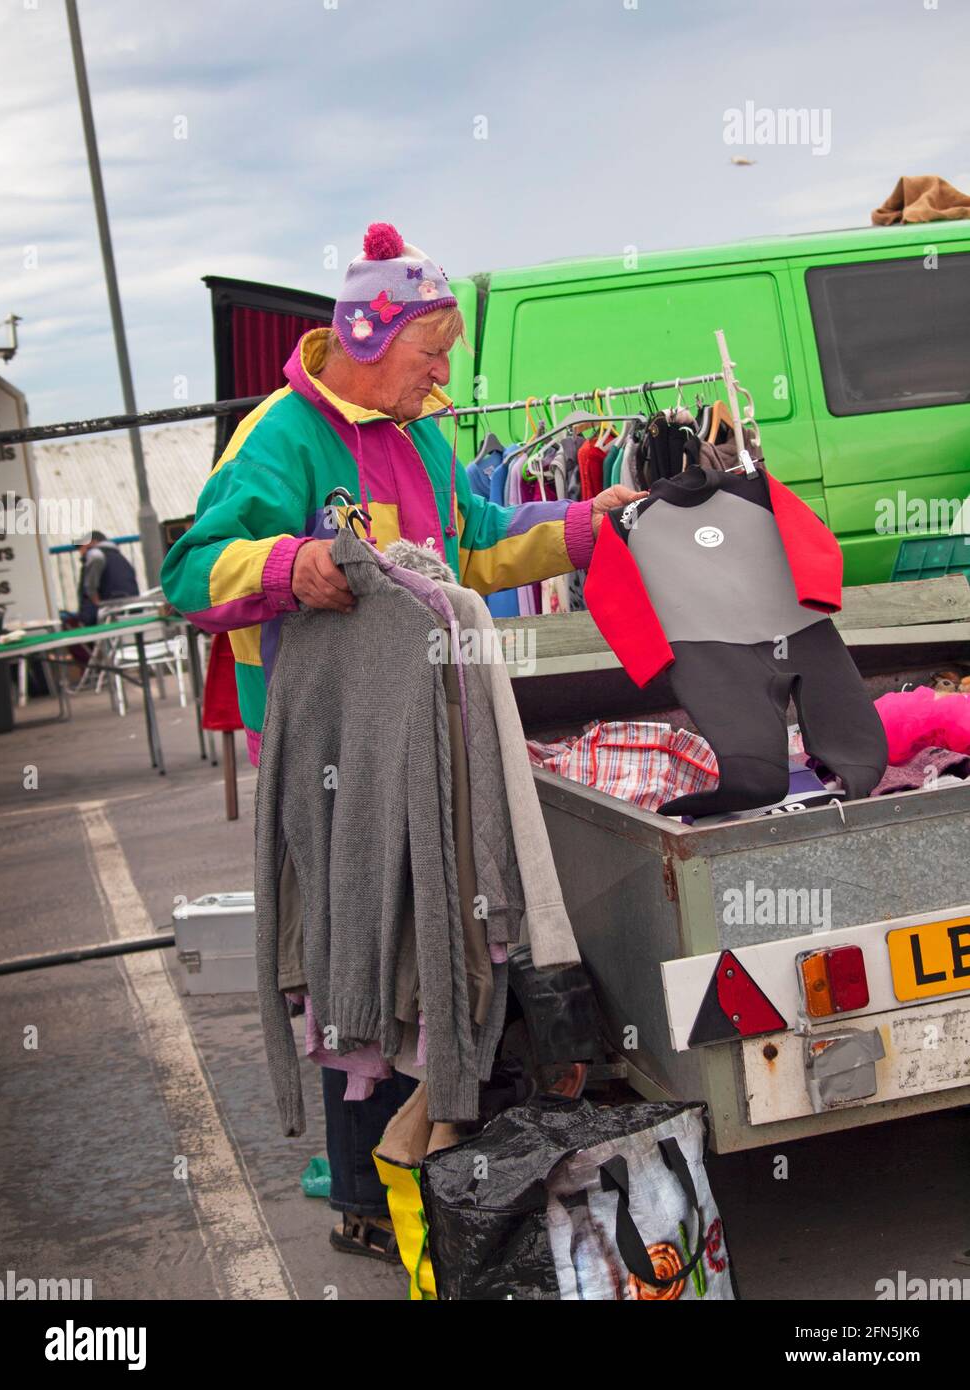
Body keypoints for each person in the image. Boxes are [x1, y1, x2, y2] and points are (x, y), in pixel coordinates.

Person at [161, 222, 644, 1262]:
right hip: (324, 749)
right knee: (351, 954)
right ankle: (360, 1195)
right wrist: (294, 567)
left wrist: (581, 526)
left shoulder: (424, 431)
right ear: (370, 334)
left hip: (436, 737)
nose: (445, 371)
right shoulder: (281, 435)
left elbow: (476, 541)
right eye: (433, 348)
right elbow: (193, 573)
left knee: (441, 943)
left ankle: (433, 1164)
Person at [74, 530, 140, 626]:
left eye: (81, 546)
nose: (80, 551)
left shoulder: (94, 555)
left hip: (108, 615)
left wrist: (96, 607)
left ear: (93, 543)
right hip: (132, 610)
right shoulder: (120, 558)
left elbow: (90, 591)